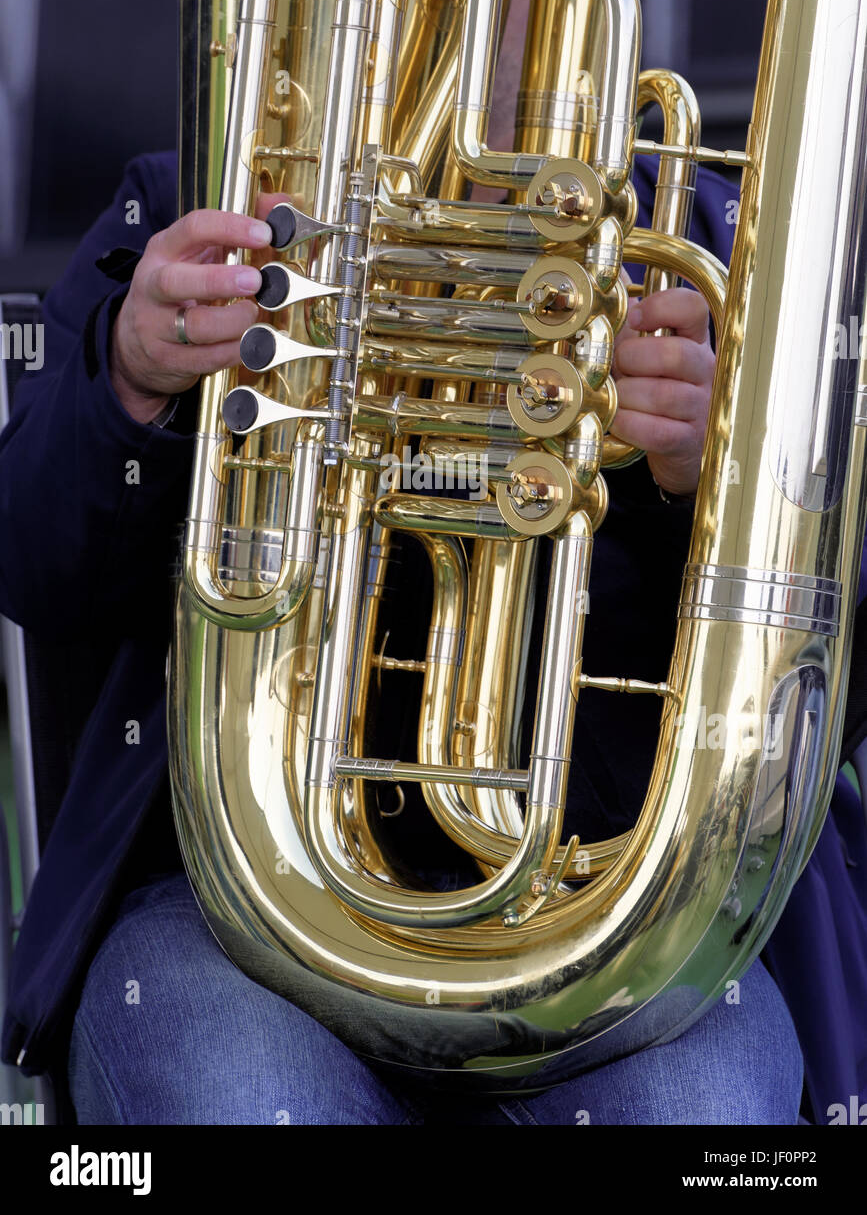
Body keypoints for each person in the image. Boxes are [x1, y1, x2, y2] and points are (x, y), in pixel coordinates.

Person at [0, 145, 857, 1125]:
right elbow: (33, 563)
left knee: (700, 1114)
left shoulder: (709, 230)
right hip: (232, 909)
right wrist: (129, 378)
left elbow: (836, 668)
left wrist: (720, 484)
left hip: (613, 922)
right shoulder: (196, 192)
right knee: (240, 1101)